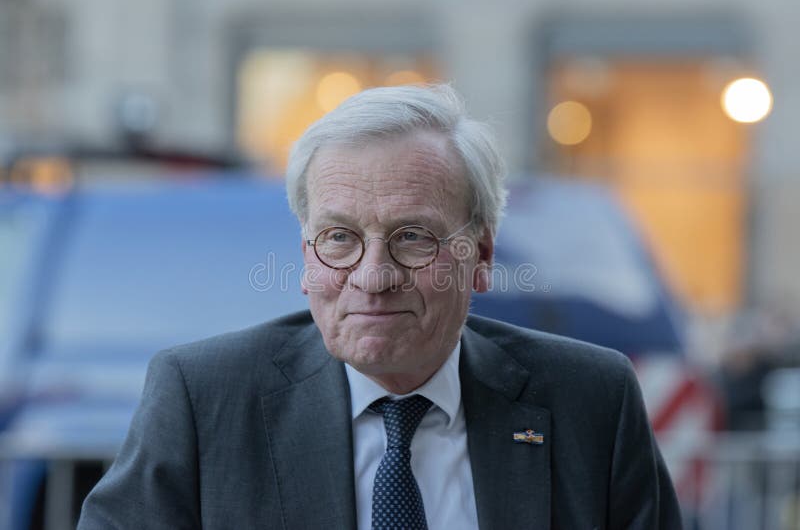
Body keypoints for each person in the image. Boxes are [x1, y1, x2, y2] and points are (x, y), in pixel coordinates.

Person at [78, 84, 681, 529]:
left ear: (481, 256)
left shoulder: (590, 400)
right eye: (339, 238)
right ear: (307, 255)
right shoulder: (204, 398)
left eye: (413, 237)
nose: (372, 276)